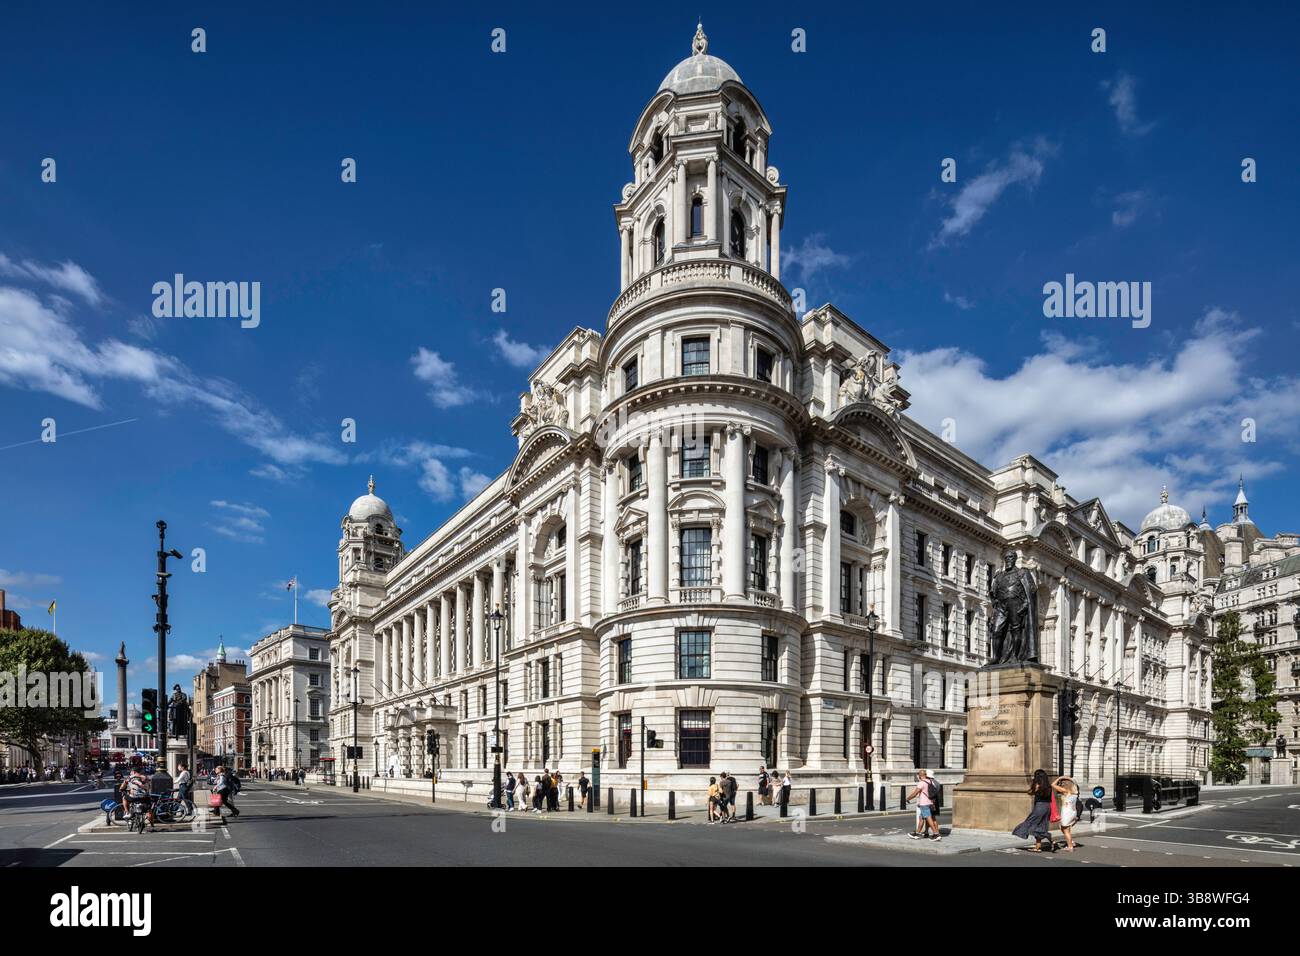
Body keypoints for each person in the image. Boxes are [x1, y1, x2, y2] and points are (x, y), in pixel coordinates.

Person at [1011, 769, 1054, 852]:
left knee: (1030, 823)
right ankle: (1038, 847)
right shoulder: (1048, 786)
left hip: (1040, 806)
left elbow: (1030, 792)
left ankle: (1048, 837)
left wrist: (1033, 783)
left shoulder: (1037, 785)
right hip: (1047, 807)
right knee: (1041, 825)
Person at [907, 769, 941, 841]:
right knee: (921, 818)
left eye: (919, 775)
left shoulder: (921, 783)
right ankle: (918, 833)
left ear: (919, 776)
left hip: (924, 804)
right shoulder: (931, 782)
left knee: (929, 818)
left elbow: (915, 793)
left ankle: (936, 834)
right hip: (930, 803)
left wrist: (908, 798)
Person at [121, 766, 156, 831]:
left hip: (133, 797)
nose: (131, 773)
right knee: (149, 811)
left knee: (124, 798)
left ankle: (128, 812)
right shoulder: (145, 777)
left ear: (134, 772)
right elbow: (149, 786)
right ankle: (152, 825)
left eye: (131, 772)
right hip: (144, 797)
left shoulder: (129, 777)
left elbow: (123, 786)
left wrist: (121, 789)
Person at [1052, 775, 1080, 851]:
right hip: (1072, 811)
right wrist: (1069, 778)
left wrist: (1059, 778)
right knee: (1063, 827)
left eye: (1062, 783)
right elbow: (1075, 782)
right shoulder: (1075, 791)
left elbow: (1053, 785)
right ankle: (1070, 842)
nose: (1061, 784)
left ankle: (1070, 846)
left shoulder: (1066, 791)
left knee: (1066, 830)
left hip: (1066, 812)